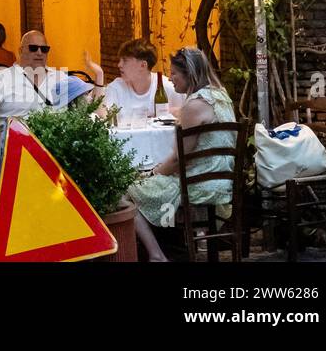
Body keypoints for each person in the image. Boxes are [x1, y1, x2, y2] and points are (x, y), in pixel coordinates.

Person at [129, 48, 238, 262]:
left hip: (199, 185)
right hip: (223, 179)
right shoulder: (221, 95)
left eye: (174, 73)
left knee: (125, 192)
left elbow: (179, 159)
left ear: (189, 74)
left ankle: (157, 255)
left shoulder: (194, 105)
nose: (170, 78)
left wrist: (150, 173)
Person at [0, 30, 92, 177]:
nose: (39, 53)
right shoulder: (3, 77)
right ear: (21, 51)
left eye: (44, 49)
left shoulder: (60, 78)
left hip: (53, 152)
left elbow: (86, 103)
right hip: (12, 150)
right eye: (33, 48)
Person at [100, 38, 182, 118]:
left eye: (125, 60)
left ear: (143, 65)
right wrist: (99, 76)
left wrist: (173, 111)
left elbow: (186, 114)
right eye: (120, 60)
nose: (119, 65)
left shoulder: (167, 87)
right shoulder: (116, 88)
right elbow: (101, 118)